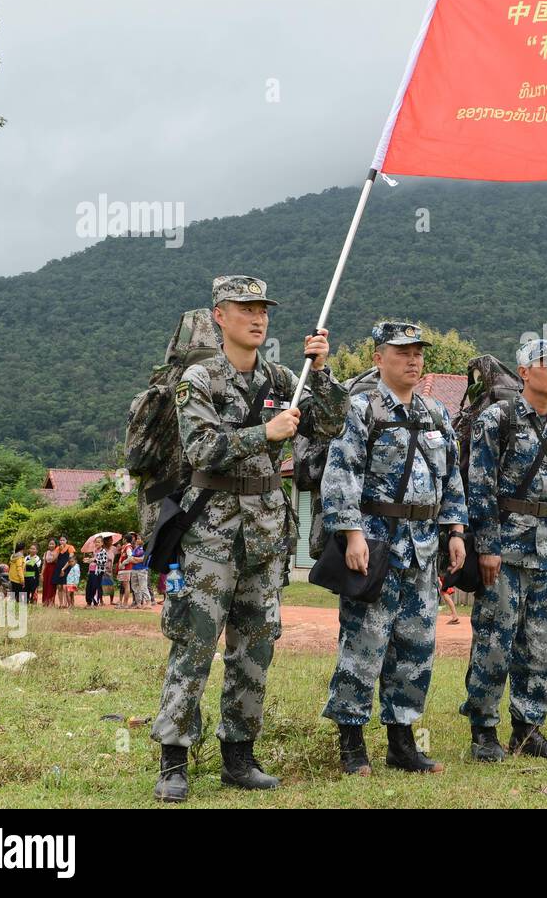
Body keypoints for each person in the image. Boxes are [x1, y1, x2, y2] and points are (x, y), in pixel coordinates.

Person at [151, 275, 347, 803]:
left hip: (264, 531)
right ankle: (174, 761)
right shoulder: (200, 379)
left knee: (255, 646)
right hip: (210, 532)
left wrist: (322, 372)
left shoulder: (286, 378)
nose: (258, 318)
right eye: (245, 309)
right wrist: (267, 433)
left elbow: (330, 425)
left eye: (263, 309)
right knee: (194, 644)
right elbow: (200, 450)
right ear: (220, 315)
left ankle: (240, 755)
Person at [321, 321, 467, 776]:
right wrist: (351, 534)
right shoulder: (361, 409)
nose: (413, 360)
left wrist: (456, 529)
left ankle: (402, 743)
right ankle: (352, 743)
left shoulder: (435, 413)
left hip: (423, 549)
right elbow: (341, 472)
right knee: (364, 643)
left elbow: (451, 476)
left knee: (415, 647)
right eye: (402, 352)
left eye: (418, 352)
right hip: (376, 545)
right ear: (378, 357)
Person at [460, 338, 547, 762]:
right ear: (524, 372)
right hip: (506, 553)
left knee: (542, 645)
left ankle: (529, 730)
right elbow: (479, 485)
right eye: (545, 364)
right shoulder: (498, 418)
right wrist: (488, 546)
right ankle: (484, 732)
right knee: (495, 641)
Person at [41, 541, 58, 607]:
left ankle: (51, 602)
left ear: (55, 545)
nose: (51, 545)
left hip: (53, 570)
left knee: (52, 586)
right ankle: (45, 601)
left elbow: (56, 561)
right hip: (46, 570)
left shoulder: (57, 552)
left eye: (52, 544)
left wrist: (54, 555)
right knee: (45, 585)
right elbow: (44, 564)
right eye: (50, 544)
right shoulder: (46, 553)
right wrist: (42, 573)